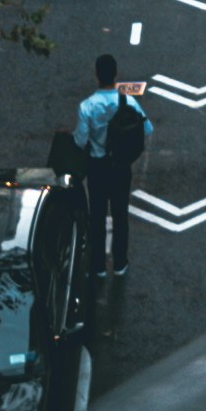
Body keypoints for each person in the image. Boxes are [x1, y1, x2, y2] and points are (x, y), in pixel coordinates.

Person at [70, 54, 152, 282]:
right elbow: (147, 129)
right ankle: (120, 263)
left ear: (96, 75)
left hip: (97, 168)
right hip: (121, 167)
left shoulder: (87, 106)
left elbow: (80, 141)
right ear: (115, 74)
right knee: (120, 215)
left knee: (97, 215)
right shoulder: (128, 102)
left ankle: (98, 266)